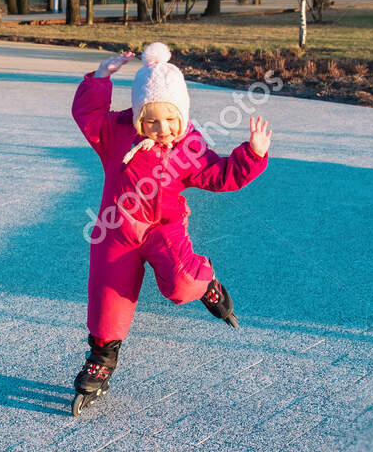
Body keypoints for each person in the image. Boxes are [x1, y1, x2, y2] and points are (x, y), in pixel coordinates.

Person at [69, 41, 272, 414]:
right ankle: (101, 358)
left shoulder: (189, 146)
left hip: (165, 230)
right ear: (138, 117)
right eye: (151, 120)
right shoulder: (115, 135)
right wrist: (100, 78)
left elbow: (220, 175)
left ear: (183, 115)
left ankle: (206, 282)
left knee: (182, 286)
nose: (162, 129)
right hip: (117, 230)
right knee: (107, 298)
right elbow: (88, 115)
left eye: (170, 120)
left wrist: (252, 154)